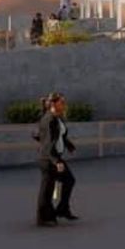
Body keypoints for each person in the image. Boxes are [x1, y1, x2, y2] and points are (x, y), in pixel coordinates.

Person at [35, 92, 78, 225]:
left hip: (53, 157)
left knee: (68, 180)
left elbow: (60, 136)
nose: (64, 105)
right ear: (54, 104)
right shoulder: (49, 119)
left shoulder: (57, 118)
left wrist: (69, 145)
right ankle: (43, 218)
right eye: (62, 102)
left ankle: (62, 209)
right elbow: (48, 143)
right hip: (47, 159)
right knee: (47, 189)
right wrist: (56, 161)